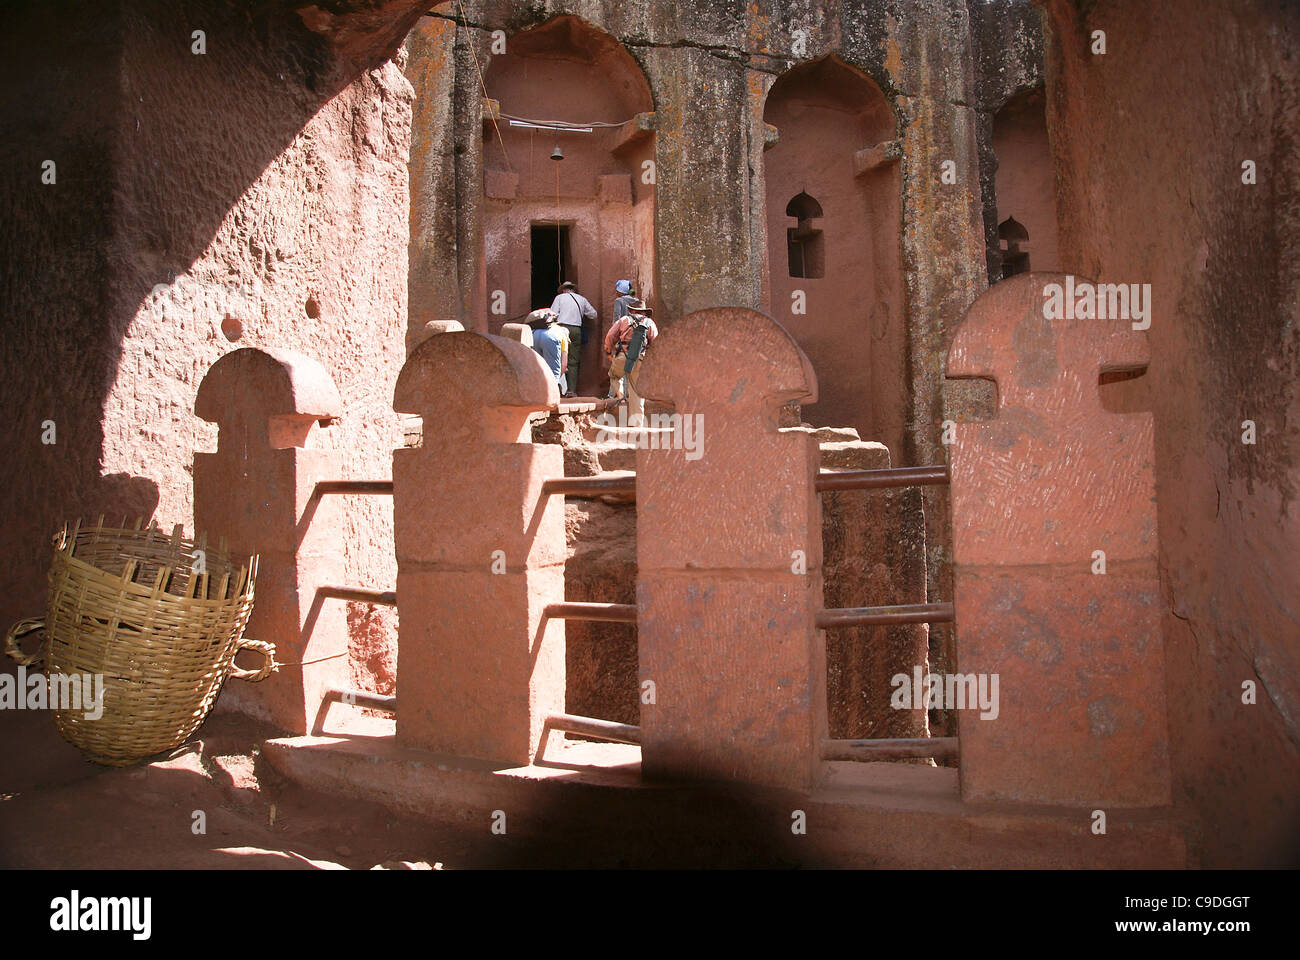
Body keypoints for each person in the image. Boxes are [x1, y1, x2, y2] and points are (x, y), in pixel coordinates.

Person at [604, 297, 658, 423]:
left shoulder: (624, 320)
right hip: (640, 358)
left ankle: (621, 397)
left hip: (623, 355)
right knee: (636, 390)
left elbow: (610, 337)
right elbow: (656, 343)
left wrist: (608, 352)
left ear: (632, 311)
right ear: (644, 312)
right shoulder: (650, 323)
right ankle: (636, 423)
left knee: (614, 376)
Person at [549, 281, 597, 398]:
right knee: (573, 361)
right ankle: (571, 390)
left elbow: (552, 314)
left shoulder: (559, 298)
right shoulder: (581, 299)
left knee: (558, 358)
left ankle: (556, 389)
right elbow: (593, 314)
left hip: (561, 329)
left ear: (564, 289)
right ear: (573, 289)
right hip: (576, 330)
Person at [527, 309, 569, 393]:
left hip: (533, 335)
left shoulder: (543, 326)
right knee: (554, 371)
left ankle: (535, 394)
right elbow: (563, 365)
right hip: (551, 338)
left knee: (536, 367)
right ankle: (551, 397)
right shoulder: (562, 333)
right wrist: (557, 377)